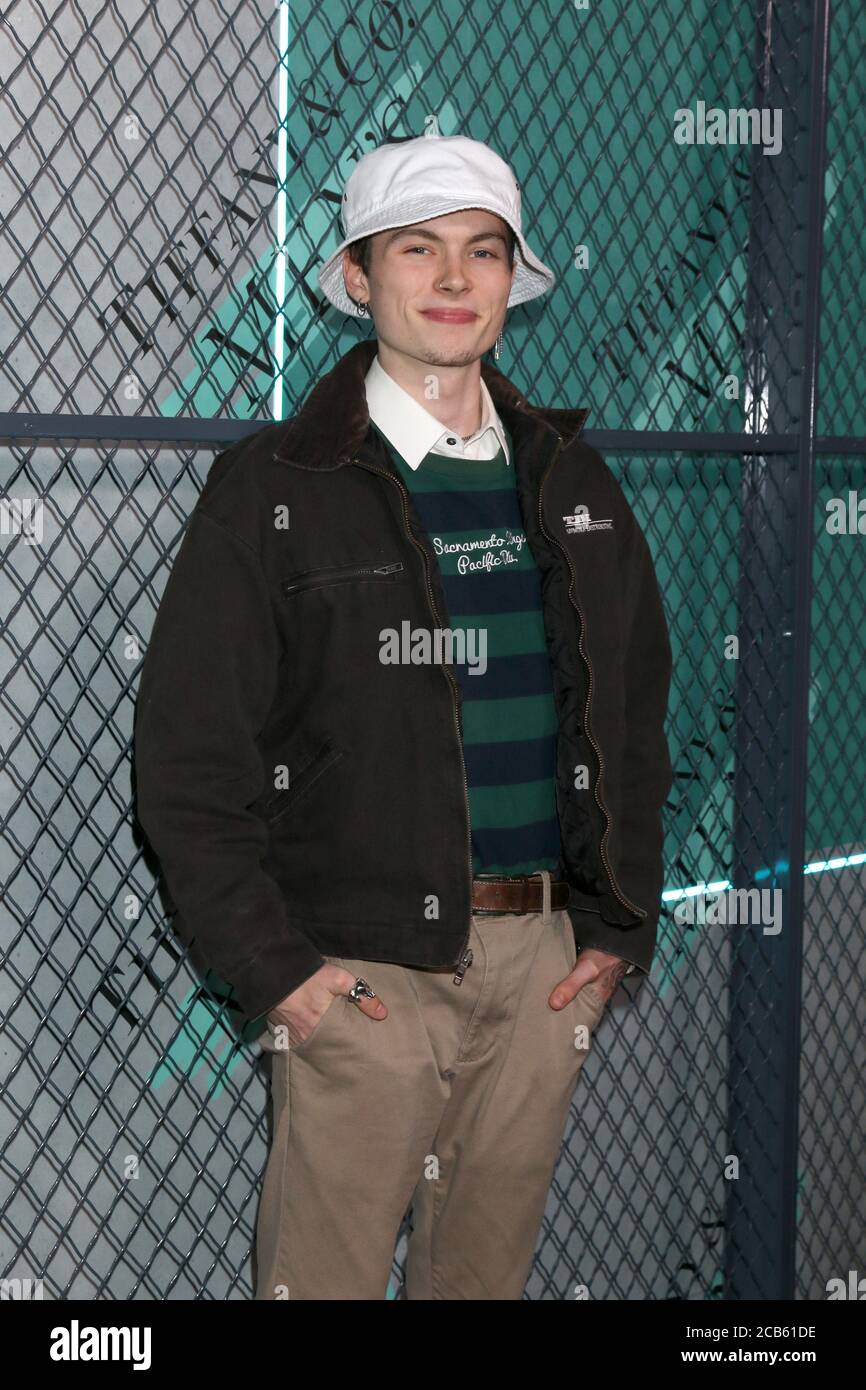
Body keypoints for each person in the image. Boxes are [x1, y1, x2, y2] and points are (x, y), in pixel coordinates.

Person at [133, 132, 673, 1300]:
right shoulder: (277, 486)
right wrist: (277, 970)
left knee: (478, 1284)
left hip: (539, 975)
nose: (449, 278)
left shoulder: (570, 481)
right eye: (414, 249)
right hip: (363, 976)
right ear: (355, 279)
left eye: (481, 252)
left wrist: (615, 922)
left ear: (510, 282)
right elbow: (189, 758)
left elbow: (630, 713)